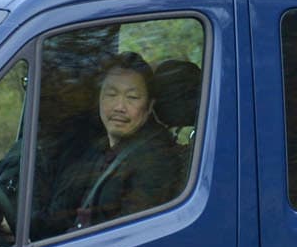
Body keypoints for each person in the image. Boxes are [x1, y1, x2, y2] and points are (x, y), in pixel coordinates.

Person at [35, 53, 185, 235]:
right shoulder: (95, 146)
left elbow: (127, 236)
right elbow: (62, 212)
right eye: (111, 94)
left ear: (150, 105)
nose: (119, 107)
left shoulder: (155, 159)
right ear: (99, 98)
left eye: (132, 97)